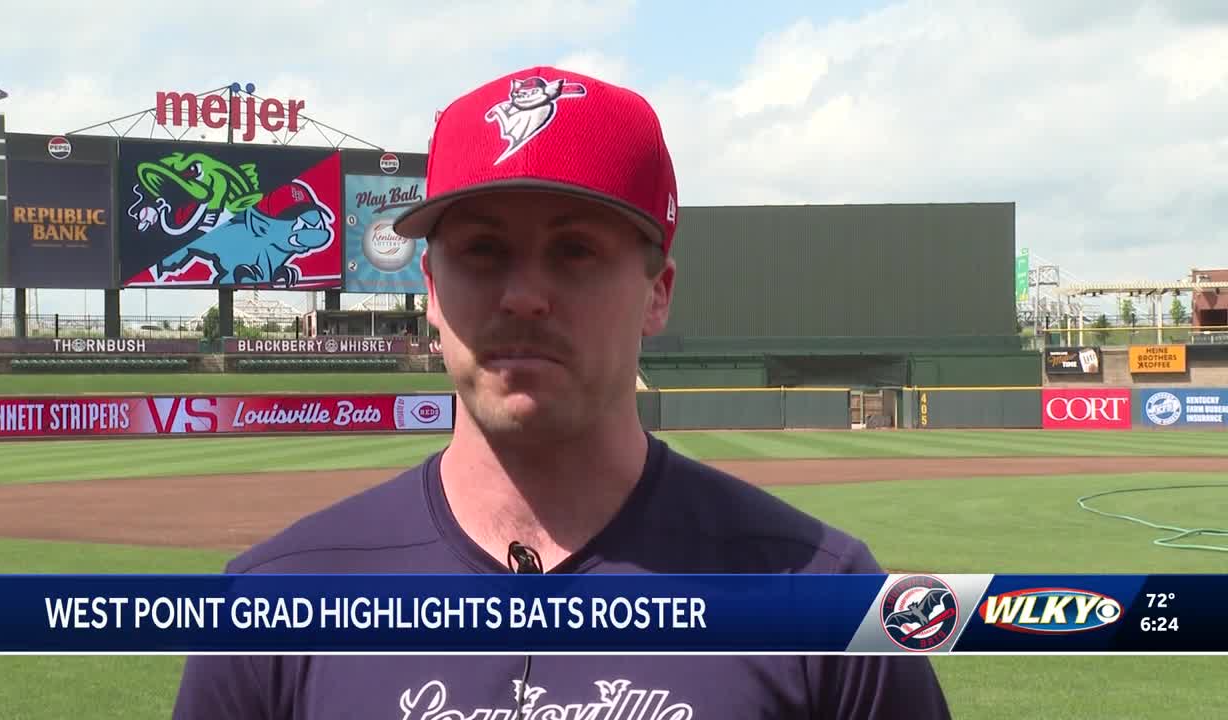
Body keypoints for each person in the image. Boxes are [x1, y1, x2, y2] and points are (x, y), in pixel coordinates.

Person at [172, 66, 952, 719]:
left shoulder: (827, 598)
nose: (523, 295)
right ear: (432, 289)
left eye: (575, 250)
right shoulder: (275, 602)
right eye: (483, 250)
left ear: (657, 292)